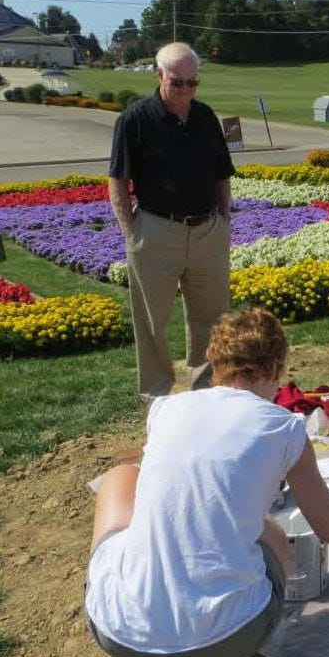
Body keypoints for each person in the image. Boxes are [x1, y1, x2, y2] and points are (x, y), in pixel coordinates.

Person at [84, 308, 329, 657]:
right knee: (270, 532)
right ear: (275, 366)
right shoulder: (285, 427)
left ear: (216, 364)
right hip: (234, 635)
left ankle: (155, 601)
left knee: (120, 476)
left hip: (120, 630)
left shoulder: (166, 409)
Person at [108, 41, 235, 400]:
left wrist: (224, 219)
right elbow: (117, 180)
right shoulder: (134, 120)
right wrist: (130, 233)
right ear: (159, 75)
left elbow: (222, 173)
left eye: (193, 83)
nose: (185, 90)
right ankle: (158, 400)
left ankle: (206, 394)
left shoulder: (206, 117)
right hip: (156, 232)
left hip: (207, 232)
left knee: (213, 320)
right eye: (177, 82)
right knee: (152, 323)